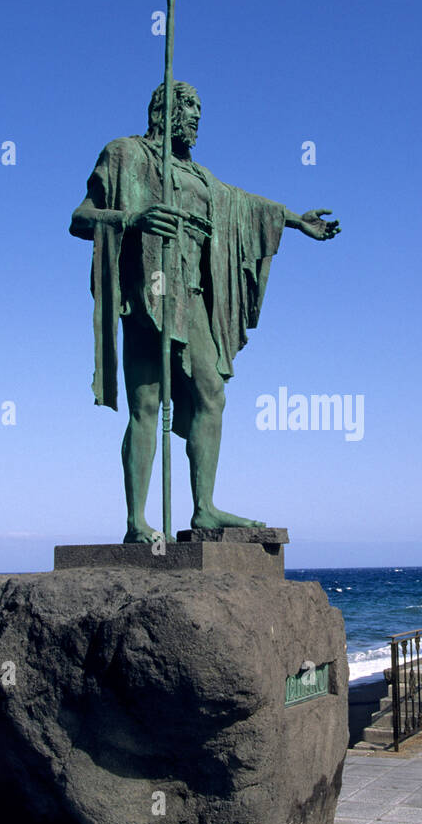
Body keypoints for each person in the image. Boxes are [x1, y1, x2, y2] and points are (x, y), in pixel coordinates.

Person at [70, 82, 340, 540]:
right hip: (148, 292)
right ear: (165, 110)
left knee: (211, 393)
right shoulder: (124, 154)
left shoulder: (200, 177)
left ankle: (204, 509)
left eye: (200, 110)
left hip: (191, 295)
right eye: (189, 108)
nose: (197, 118)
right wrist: (131, 219)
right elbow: (79, 218)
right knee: (146, 403)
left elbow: (245, 204)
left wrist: (296, 221)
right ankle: (137, 523)